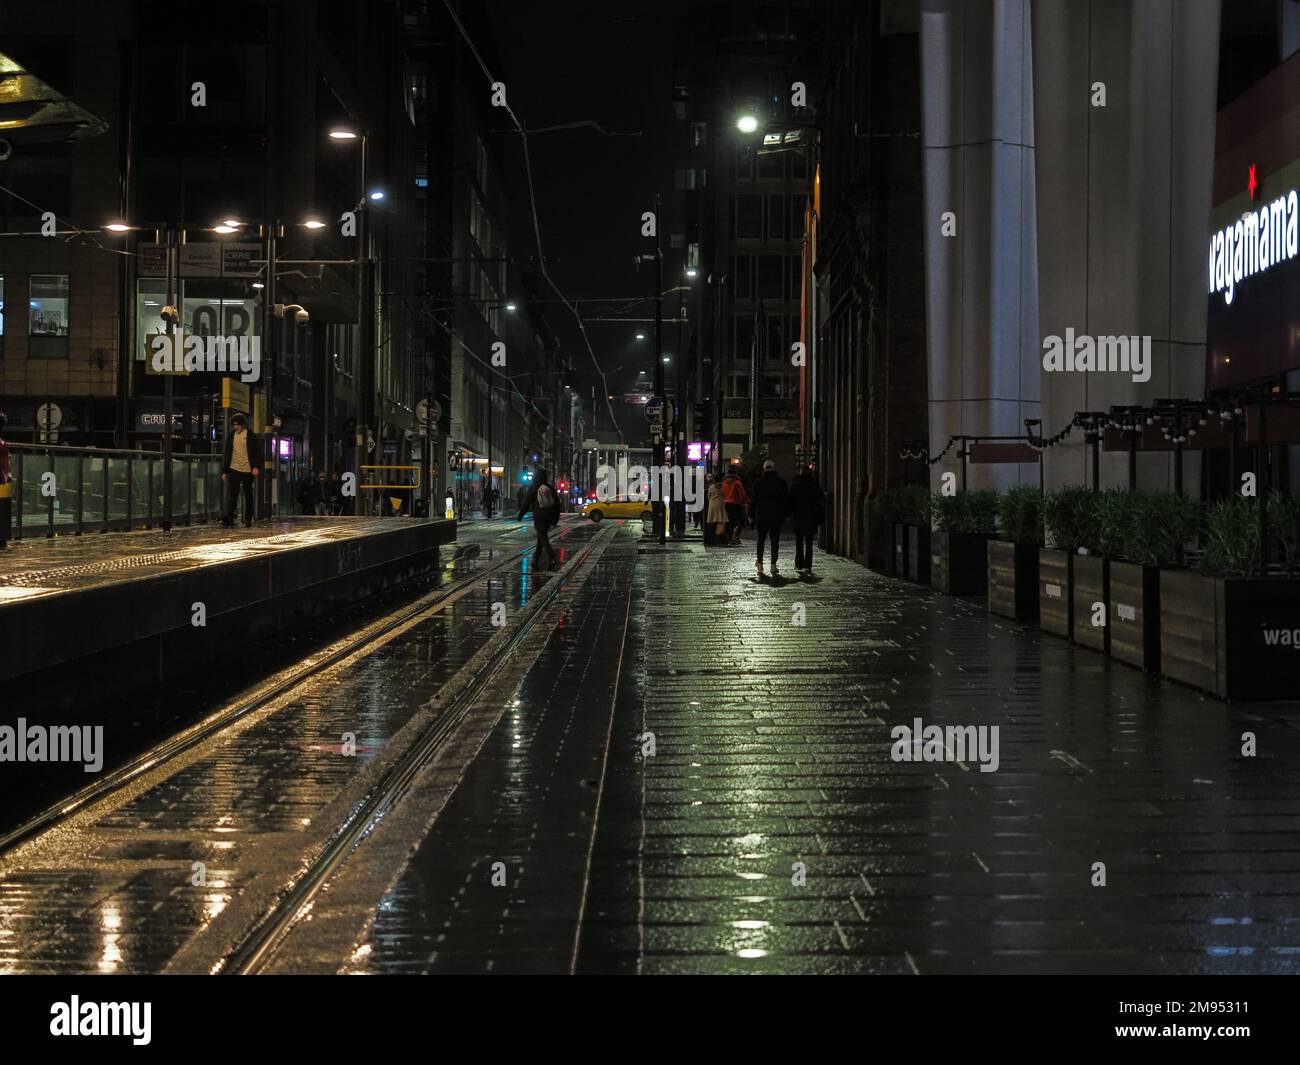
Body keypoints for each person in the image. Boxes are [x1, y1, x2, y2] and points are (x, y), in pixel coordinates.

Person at [749, 459, 790, 578]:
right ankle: (773, 564)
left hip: (761, 517)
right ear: (773, 468)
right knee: (774, 541)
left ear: (764, 468)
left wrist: (751, 515)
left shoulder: (758, 483)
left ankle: (760, 563)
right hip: (775, 517)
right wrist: (785, 514)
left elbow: (753, 501)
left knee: (760, 541)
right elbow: (785, 500)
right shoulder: (780, 482)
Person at [221, 413, 262, 528]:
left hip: (247, 469)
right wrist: (225, 471)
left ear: (243, 425)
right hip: (234, 468)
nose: (235, 427)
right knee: (233, 495)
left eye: (237, 425)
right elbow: (227, 454)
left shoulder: (251, 436)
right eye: (234, 425)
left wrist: (256, 467)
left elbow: (258, 452)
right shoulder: (231, 436)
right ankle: (229, 518)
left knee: (248, 494)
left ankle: (248, 518)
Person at [518, 468, 561, 568]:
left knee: (542, 538)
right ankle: (535, 561)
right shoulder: (550, 488)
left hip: (539, 517)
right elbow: (557, 505)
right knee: (540, 538)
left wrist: (521, 515)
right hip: (548, 517)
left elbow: (526, 502)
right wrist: (555, 519)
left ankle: (552, 556)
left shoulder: (534, 487)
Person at [788, 464, 826, 576]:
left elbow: (790, 500)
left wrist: (791, 514)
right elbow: (820, 496)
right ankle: (808, 566)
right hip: (811, 516)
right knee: (809, 543)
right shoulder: (814, 484)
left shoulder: (795, 484)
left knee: (799, 542)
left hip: (798, 516)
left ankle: (799, 564)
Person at [720, 466, 750, 546]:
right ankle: (735, 537)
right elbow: (742, 493)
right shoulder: (737, 482)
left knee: (730, 521)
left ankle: (728, 537)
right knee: (742, 521)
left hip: (726, 504)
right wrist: (747, 501)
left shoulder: (724, 483)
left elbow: (722, 494)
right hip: (736, 504)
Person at [705, 474, 726, 547]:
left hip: (712, 504)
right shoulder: (723, 485)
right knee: (720, 521)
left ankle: (711, 539)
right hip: (720, 504)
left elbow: (708, 496)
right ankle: (718, 538)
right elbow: (725, 495)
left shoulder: (711, 486)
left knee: (712, 522)